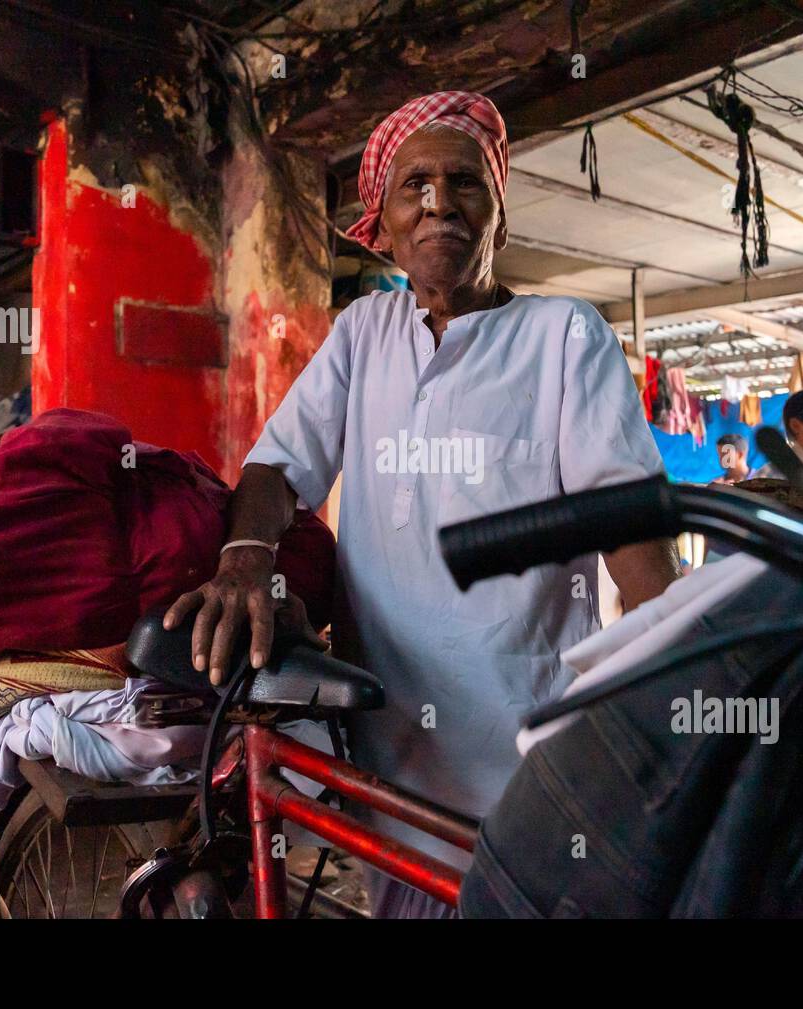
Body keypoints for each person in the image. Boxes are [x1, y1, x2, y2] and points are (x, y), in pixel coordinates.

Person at [163, 90, 679, 917]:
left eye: (465, 183)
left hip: (521, 769)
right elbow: (274, 467)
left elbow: (631, 529)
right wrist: (245, 558)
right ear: (387, 222)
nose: (440, 201)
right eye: (416, 186)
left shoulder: (565, 338)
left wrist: (689, 664)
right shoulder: (364, 332)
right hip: (384, 759)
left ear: (500, 218)